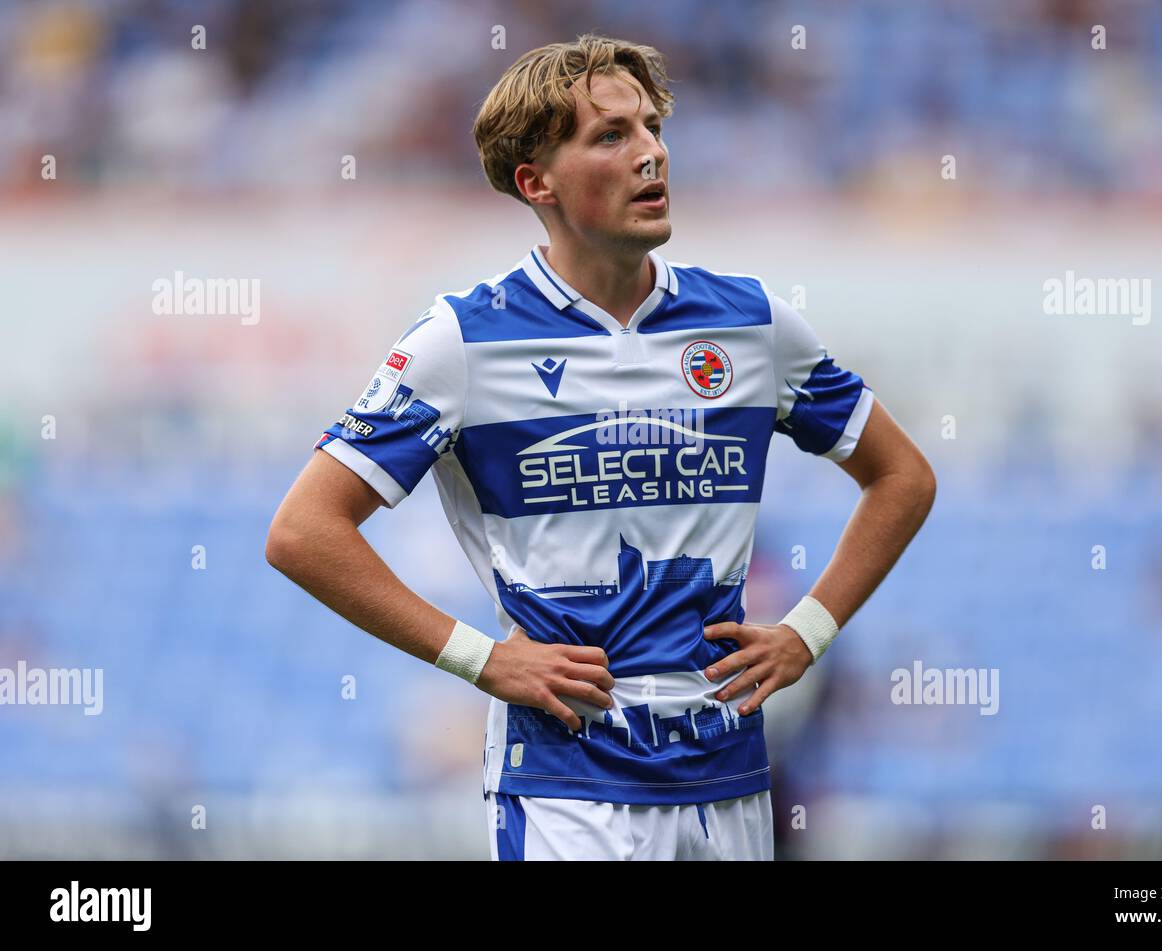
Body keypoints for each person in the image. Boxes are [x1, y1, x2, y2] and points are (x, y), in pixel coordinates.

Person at [265, 33, 935, 861]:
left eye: (652, 127)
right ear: (535, 181)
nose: (651, 153)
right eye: (611, 136)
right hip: (564, 775)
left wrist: (808, 631)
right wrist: (481, 658)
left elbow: (902, 475)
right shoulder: (463, 341)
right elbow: (303, 530)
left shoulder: (750, 324)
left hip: (726, 773)